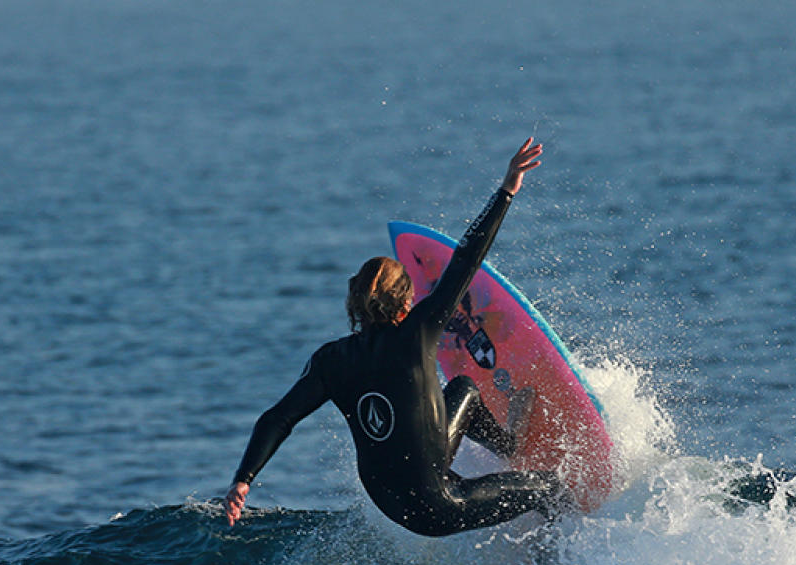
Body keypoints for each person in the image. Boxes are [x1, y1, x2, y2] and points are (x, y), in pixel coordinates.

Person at [224, 138, 566, 537]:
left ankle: (509, 446)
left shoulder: (331, 361)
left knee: (463, 390)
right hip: (441, 503)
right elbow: (466, 260)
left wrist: (243, 478)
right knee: (554, 488)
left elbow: (277, 417)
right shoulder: (417, 333)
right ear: (407, 301)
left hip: (391, 506)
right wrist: (507, 189)